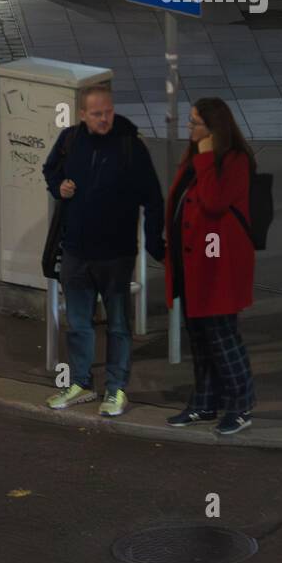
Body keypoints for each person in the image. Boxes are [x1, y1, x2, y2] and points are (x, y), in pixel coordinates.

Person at [42, 87, 165, 417]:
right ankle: (81, 382)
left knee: (118, 324)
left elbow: (153, 198)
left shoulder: (130, 146)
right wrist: (59, 186)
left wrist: (154, 244)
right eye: (97, 113)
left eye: (107, 112)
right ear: (82, 114)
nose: (104, 118)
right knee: (79, 323)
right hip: (77, 250)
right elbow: (50, 170)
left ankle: (116, 388)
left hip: (116, 252)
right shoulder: (70, 141)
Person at [165, 98, 256, 436]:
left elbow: (214, 202)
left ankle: (241, 405)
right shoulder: (196, 159)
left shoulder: (234, 161)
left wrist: (204, 156)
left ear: (213, 129)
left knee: (223, 338)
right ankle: (205, 402)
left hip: (219, 268)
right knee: (201, 339)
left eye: (195, 123)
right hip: (194, 265)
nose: (189, 128)